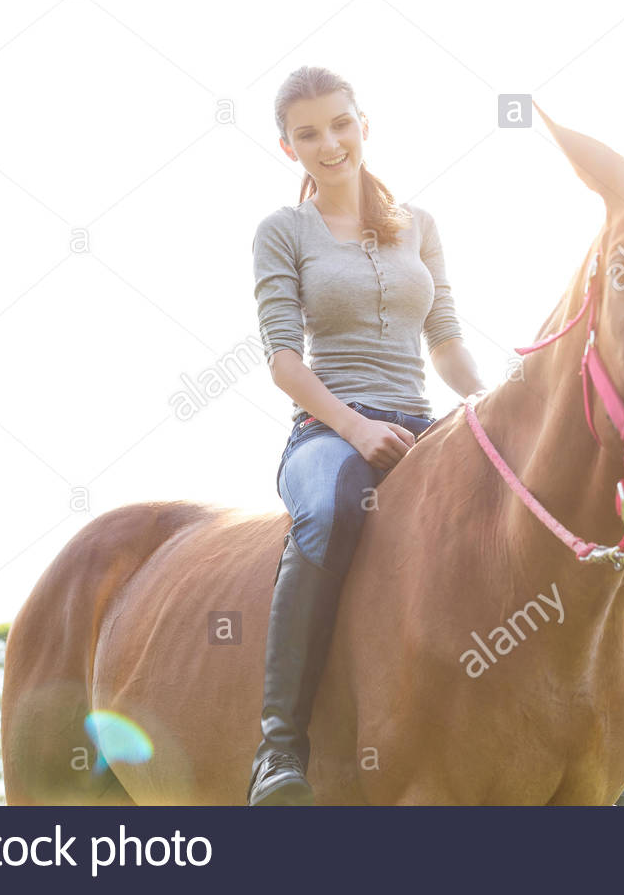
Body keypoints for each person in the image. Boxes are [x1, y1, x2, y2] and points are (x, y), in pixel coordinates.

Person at [248, 66, 486, 805]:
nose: (330, 143)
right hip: (327, 430)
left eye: (341, 124)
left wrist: (487, 405)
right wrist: (355, 427)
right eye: (309, 133)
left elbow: (444, 338)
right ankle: (278, 749)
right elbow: (285, 362)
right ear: (288, 148)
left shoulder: (420, 225)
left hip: (421, 421)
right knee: (326, 511)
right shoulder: (283, 232)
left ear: (364, 123)